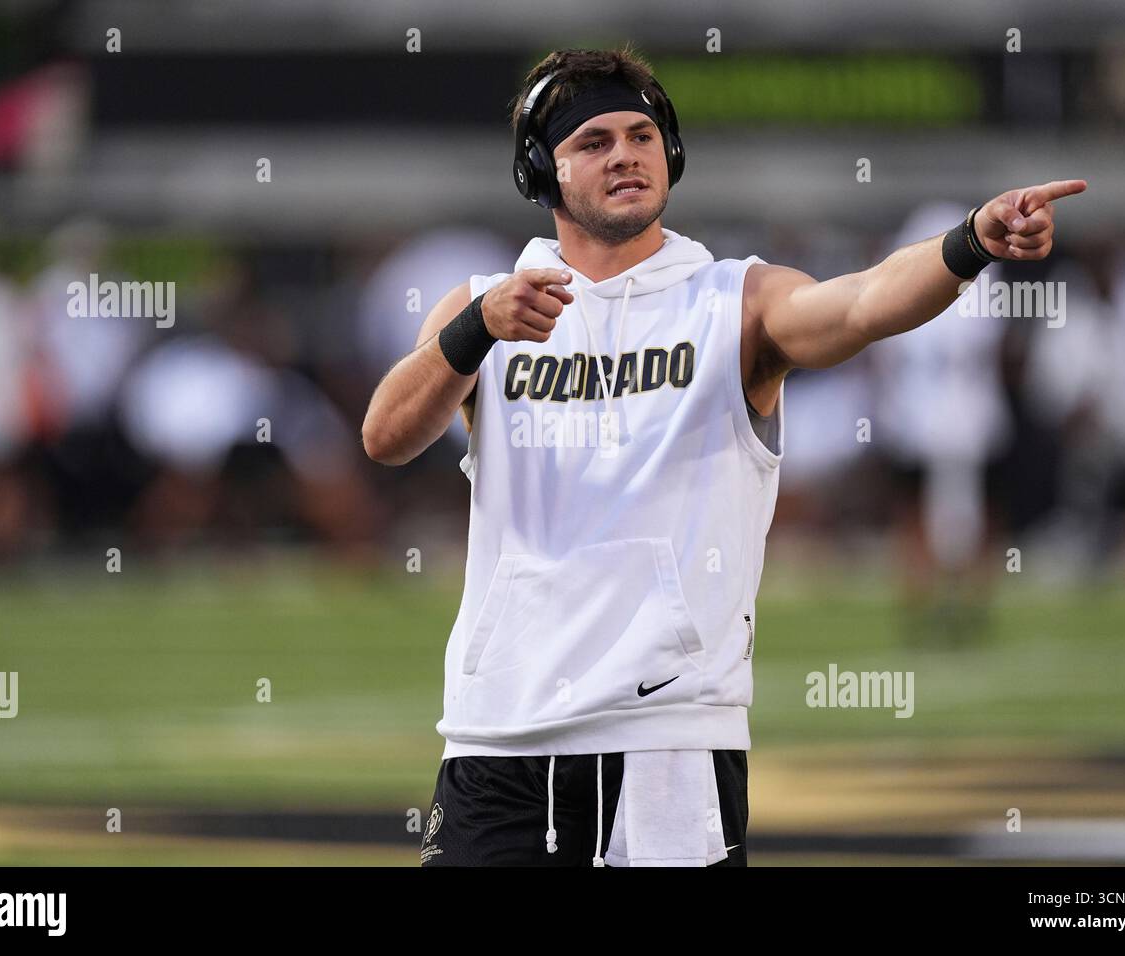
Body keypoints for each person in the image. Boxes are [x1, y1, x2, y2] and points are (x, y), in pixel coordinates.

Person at [361, 45, 1086, 866]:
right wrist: (475, 329)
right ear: (541, 170)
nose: (626, 154)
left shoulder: (733, 299)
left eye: (641, 134)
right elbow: (385, 436)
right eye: (592, 142)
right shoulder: (489, 305)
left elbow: (859, 305)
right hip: (493, 735)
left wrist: (969, 245)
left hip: (668, 739)